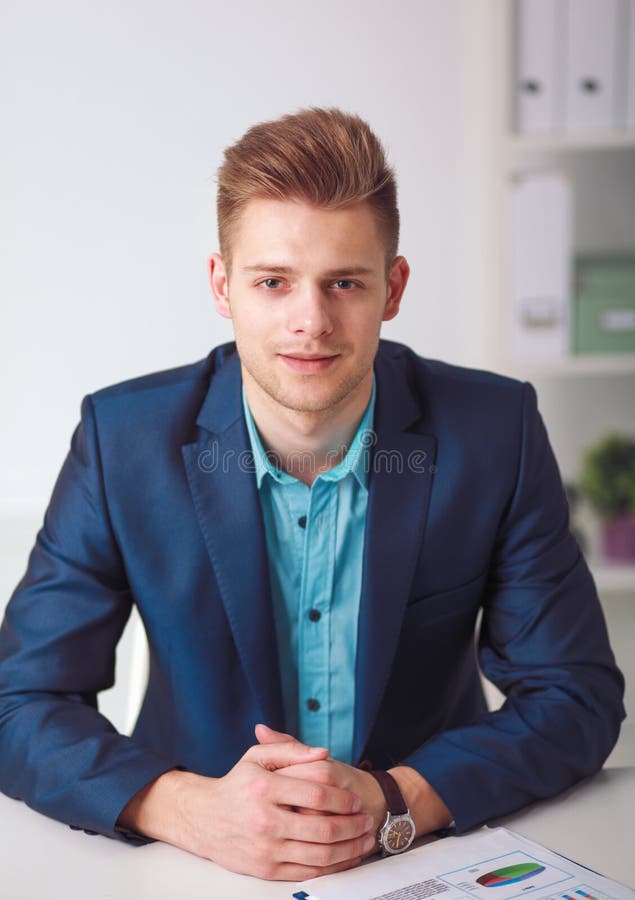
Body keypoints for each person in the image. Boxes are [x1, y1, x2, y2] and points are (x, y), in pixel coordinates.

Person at [0, 106, 625, 882]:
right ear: (222, 286)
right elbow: (19, 704)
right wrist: (186, 809)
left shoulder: (497, 430)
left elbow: (575, 696)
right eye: (273, 282)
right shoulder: (121, 440)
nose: (310, 322)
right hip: (192, 865)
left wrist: (398, 802)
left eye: (344, 283)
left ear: (392, 289)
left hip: (428, 853)